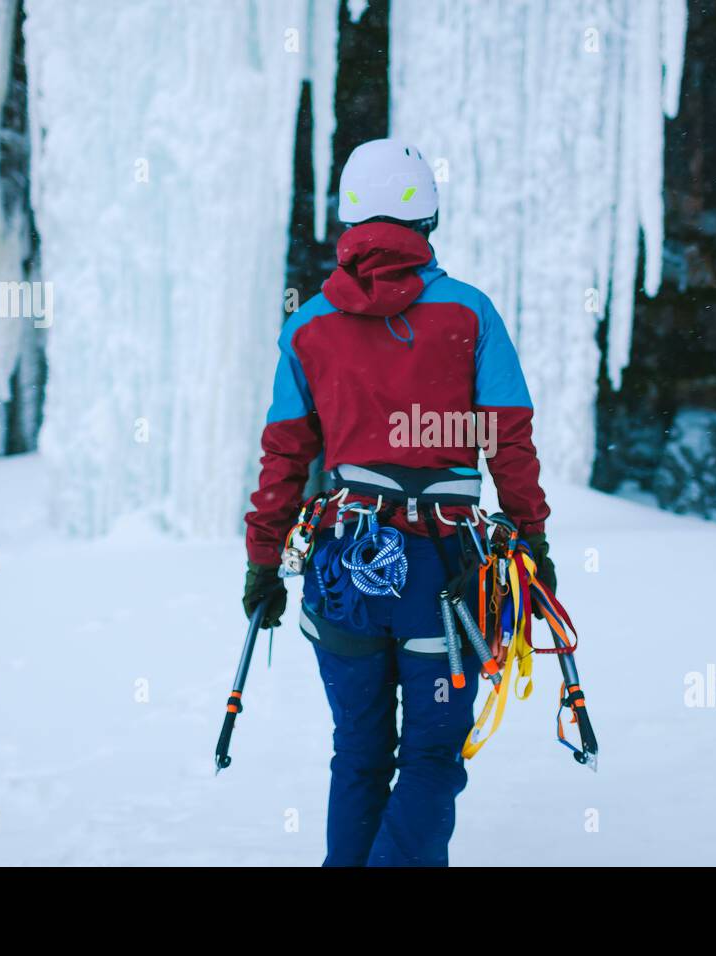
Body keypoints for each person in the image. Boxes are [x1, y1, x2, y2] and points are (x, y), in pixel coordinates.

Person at [242, 138, 554, 867]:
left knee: (357, 754)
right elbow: (510, 441)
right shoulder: (469, 315)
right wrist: (533, 543)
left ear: (347, 216)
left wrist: (262, 562)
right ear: (429, 218)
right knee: (433, 756)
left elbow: (284, 456)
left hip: (341, 572)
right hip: (442, 576)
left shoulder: (309, 325)